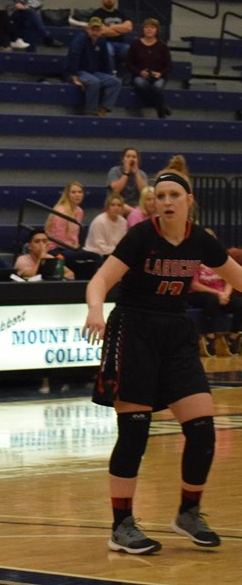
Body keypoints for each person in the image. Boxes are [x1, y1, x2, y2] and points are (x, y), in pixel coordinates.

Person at [83, 165, 242, 554]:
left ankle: (188, 513)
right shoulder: (141, 236)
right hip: (134, 331)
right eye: (160, 196)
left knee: (202, 429)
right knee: (134, 432)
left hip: (176, 334)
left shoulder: (200, 240)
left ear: (190, 201)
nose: (166, 202)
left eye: (174, 196)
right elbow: (100, 280)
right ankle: (121, 526)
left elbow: (238, 277)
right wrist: (95, 311)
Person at [187, 229, 242, 357]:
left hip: (220, 294)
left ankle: (233, 337)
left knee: (239, 304)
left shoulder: (218, 259)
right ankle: (210, 338)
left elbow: (230, 279)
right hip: (198, 293)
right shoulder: (193, 258)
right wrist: (218, 293)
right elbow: (195, 285)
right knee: (212, 300)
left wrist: (226, 294)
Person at [45, 180, 101, 279]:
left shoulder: (79, 211)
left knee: (96, 256)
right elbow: (58, 239)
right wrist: (75, 248)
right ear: (67, 194)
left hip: (71, 247)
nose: (77, 195)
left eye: (80, 192)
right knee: (90, 257)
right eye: (73, 192)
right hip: (56, 248)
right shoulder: (61, 211)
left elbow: (75, 235)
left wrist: (76, 247)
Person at [66, 17, 120, 116]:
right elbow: (74, 55)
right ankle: (90, 111)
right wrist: (74, 75)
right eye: (93, 29)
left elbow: (105, 59)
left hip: (93, 72)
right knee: (94, 82)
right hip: (79, 71)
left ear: (101, 30)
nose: (95, 32)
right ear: (87, 29)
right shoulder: (81, 39)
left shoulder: (101, 41)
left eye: (97, 30)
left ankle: (103, 109)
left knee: (115, 82)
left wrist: (109, 74)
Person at [127, 18, 173, 118]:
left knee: (157, 87)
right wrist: (140, 72)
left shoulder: (162, 46)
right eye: (147, 27)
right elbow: (129, 64)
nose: (149, 30)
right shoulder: (135, 44)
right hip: (140, 75)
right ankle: (161, 106)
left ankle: (160, 113)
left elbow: (169, 66)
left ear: (157, 30)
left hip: (158, 76)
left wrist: (160, 74)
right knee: (140, 83)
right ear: (143, 29)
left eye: (152, 27)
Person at [93, 0, 134, 67]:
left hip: (121, 44)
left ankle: (129, 74)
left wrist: (110, 26)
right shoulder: (96, 14)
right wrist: (121, 30)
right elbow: (103, 31)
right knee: (108, 50)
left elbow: (129, 27)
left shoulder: (121, 13)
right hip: (105, 43)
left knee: (131, 50)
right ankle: (110, 73)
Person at [107, 147, 148, 216]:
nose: (131, 159)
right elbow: (116, 190)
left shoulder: (142, 174)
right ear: (123, 160)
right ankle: (137, 214)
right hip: (118, 205)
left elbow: (144, 192)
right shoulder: (115, 171)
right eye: (128, 156)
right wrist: (126, 172)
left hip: (136, 206)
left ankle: (136, 214)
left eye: (134, 157)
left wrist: (136, 173)